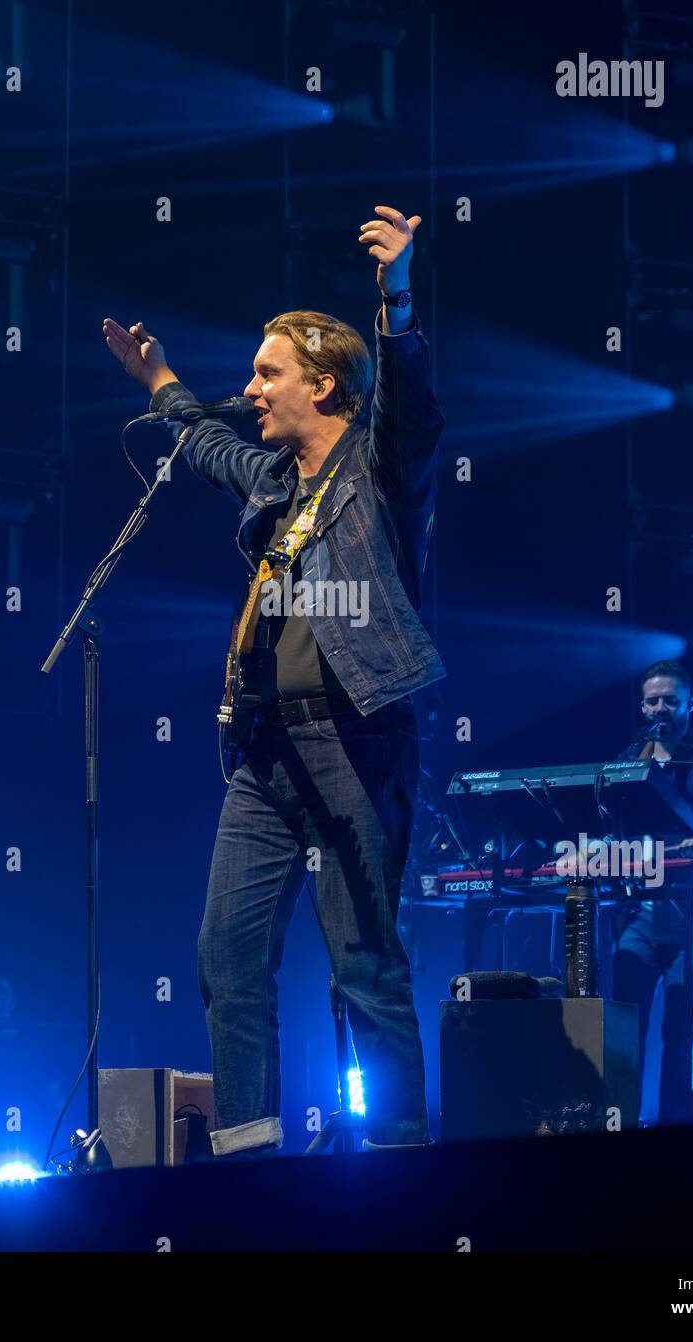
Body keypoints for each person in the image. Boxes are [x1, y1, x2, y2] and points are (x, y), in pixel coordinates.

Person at [102, 205, 445, 1155]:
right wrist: (162, 382)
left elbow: (412, 404)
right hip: (263, 752)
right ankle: (248, 1162)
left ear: (324, 384)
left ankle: (404, 1164)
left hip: (355, 740)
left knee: (364, 966)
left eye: (267, 373)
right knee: (227, 958)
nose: (249, 388)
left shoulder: (381, 476)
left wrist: (398, 296)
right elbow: (211, 450)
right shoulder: (277, 485)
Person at [611, 659, 693, 1124]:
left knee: (683, 1032)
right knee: (624, 1028)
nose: (661, 708)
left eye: (672, 700)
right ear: (642, 705)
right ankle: (620, 1128)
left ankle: (678, 1133)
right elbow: (605, 829)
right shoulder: (628, 762)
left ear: (691, 705)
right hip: (639, 916)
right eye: (653, 700)